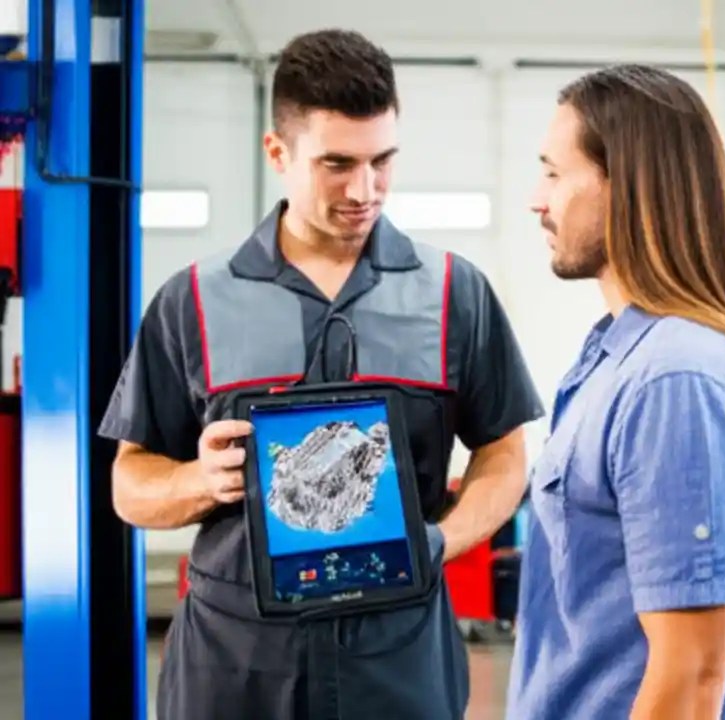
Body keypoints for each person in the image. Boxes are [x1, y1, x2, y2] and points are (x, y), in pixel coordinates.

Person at [98, 29, 544, 720]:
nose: (365, 190)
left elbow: (505, 453)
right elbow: (130, 485)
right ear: (278, 153)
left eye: (382, 161)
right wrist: (198, 480)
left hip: (399, 659)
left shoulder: (454, 293)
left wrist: (438, 544)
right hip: (236, 663)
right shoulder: (194, 301)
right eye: (336, 164)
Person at [508, 64, 725, 720]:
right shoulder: (620, 357)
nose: (536, 200)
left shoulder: (677, 380)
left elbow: (690, 682)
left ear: (627, 186)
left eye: (554, 173)